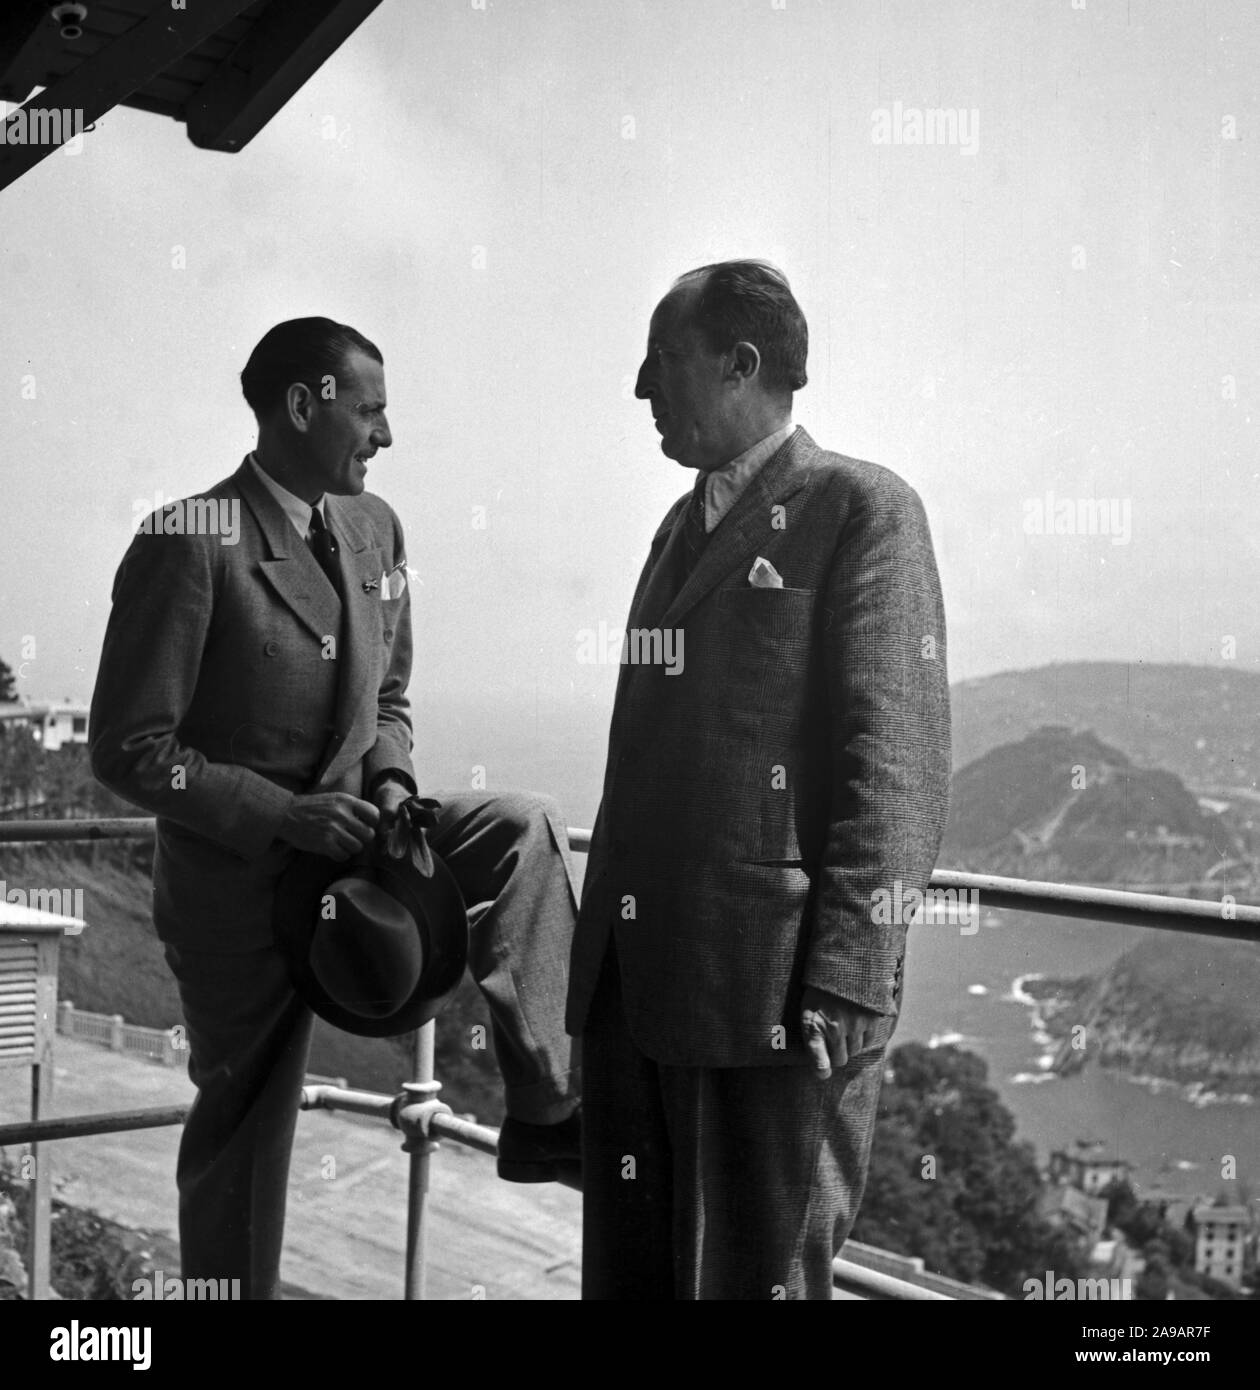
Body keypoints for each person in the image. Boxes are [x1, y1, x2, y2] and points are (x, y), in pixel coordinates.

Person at [89, 317, 580, 1300]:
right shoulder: (191, 543)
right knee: (245, 1135)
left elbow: (389, 696)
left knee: (526, 826)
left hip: (372, 842)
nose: (386, 436)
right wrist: (283, 815)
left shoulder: (375, 528)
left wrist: (395, 780)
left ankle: (547, 1109)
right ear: (304, 404)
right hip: (243, 890)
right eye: (371, 410)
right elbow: (128, 751)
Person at [567, 261, 952, 1299]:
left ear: (742, 365)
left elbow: (897, 764)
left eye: (661, 360)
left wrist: (847, 971)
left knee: (752, 1279)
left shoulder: (863, 508)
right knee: (635, 1276)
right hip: (638, 986)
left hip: (772, 996)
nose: (640, 388)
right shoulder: (675, 527)